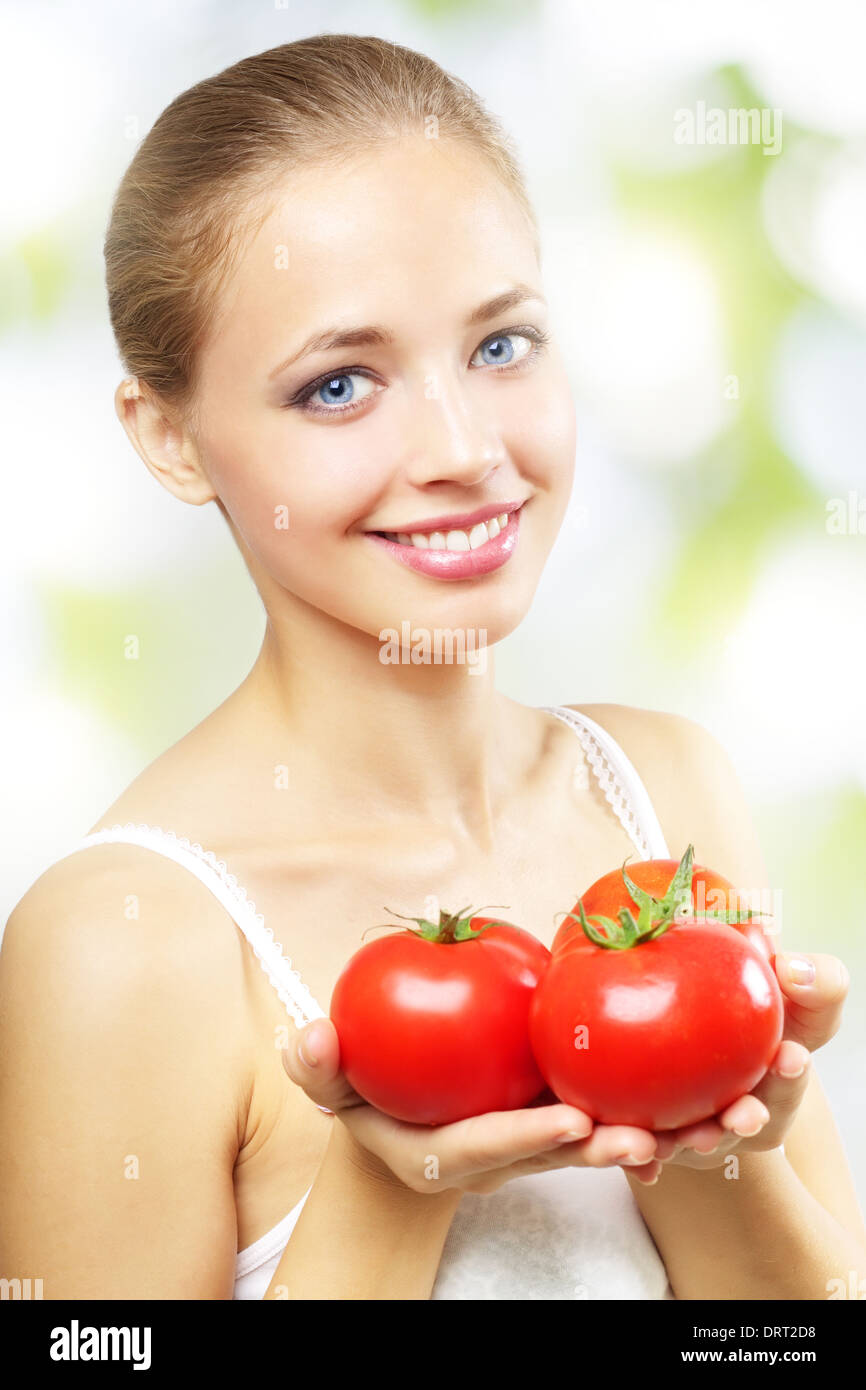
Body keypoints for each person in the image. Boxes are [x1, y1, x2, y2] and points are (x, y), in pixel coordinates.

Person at [1, 33, 863, 1302]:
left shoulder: (664, 795)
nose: (462, 447)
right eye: (339, 384)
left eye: (499, 346)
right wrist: (383, 1182)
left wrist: (698, 1142)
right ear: (172, 438)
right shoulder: (122, 942)